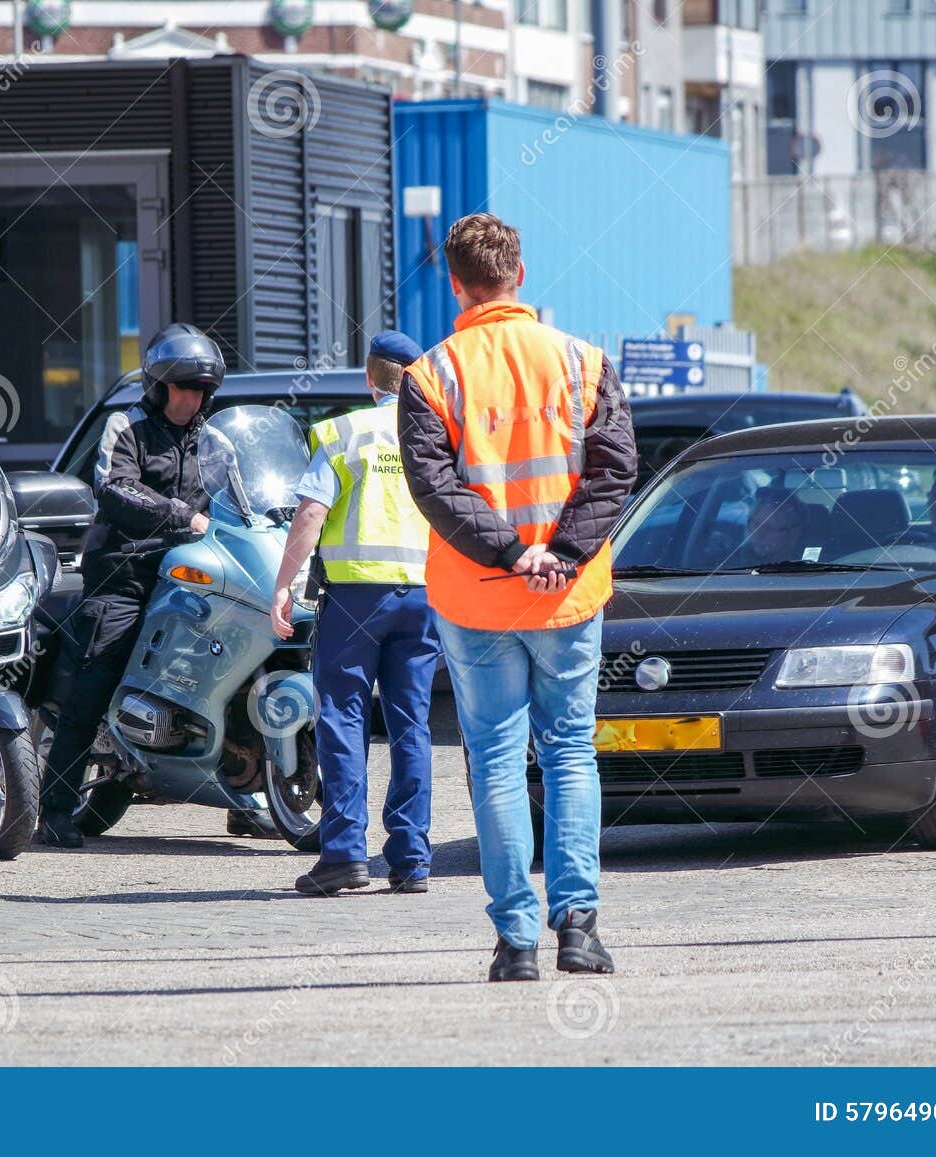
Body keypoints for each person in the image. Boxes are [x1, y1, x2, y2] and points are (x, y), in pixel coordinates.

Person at [399, 213, 638, 982]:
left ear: (456, 282)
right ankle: (580, 929)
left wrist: (510, 553)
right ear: (521, 276)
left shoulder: (430, 375)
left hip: (477, 597)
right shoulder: (583, 361)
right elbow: (614, 472)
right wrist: (561, 554)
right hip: (566, 598)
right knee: (569, 752)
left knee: (497, 762)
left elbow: (435, 490)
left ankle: (517, 943)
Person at [38, 324, 256, 847]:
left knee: (237, 658)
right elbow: (114, 490)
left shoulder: (216, 442)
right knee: (95, 680)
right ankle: (55, 808)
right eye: (181, 387)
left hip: (193, 572)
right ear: (159, 387)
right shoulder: (127, 426)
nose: (190, 398)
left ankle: (247, 792)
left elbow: (243, 505)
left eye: (199, 389)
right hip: (126, 574)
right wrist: (181, 515)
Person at [270, 331, 440, 897]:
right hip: (422, 598)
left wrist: (285, 586)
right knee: (411, 724)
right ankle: (411, 858)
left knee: (343, 719)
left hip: (355, 600)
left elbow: (310, 514)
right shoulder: (437, 435)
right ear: (414, 378)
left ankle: (344, 855)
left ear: (370, 378)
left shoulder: (345, 432)